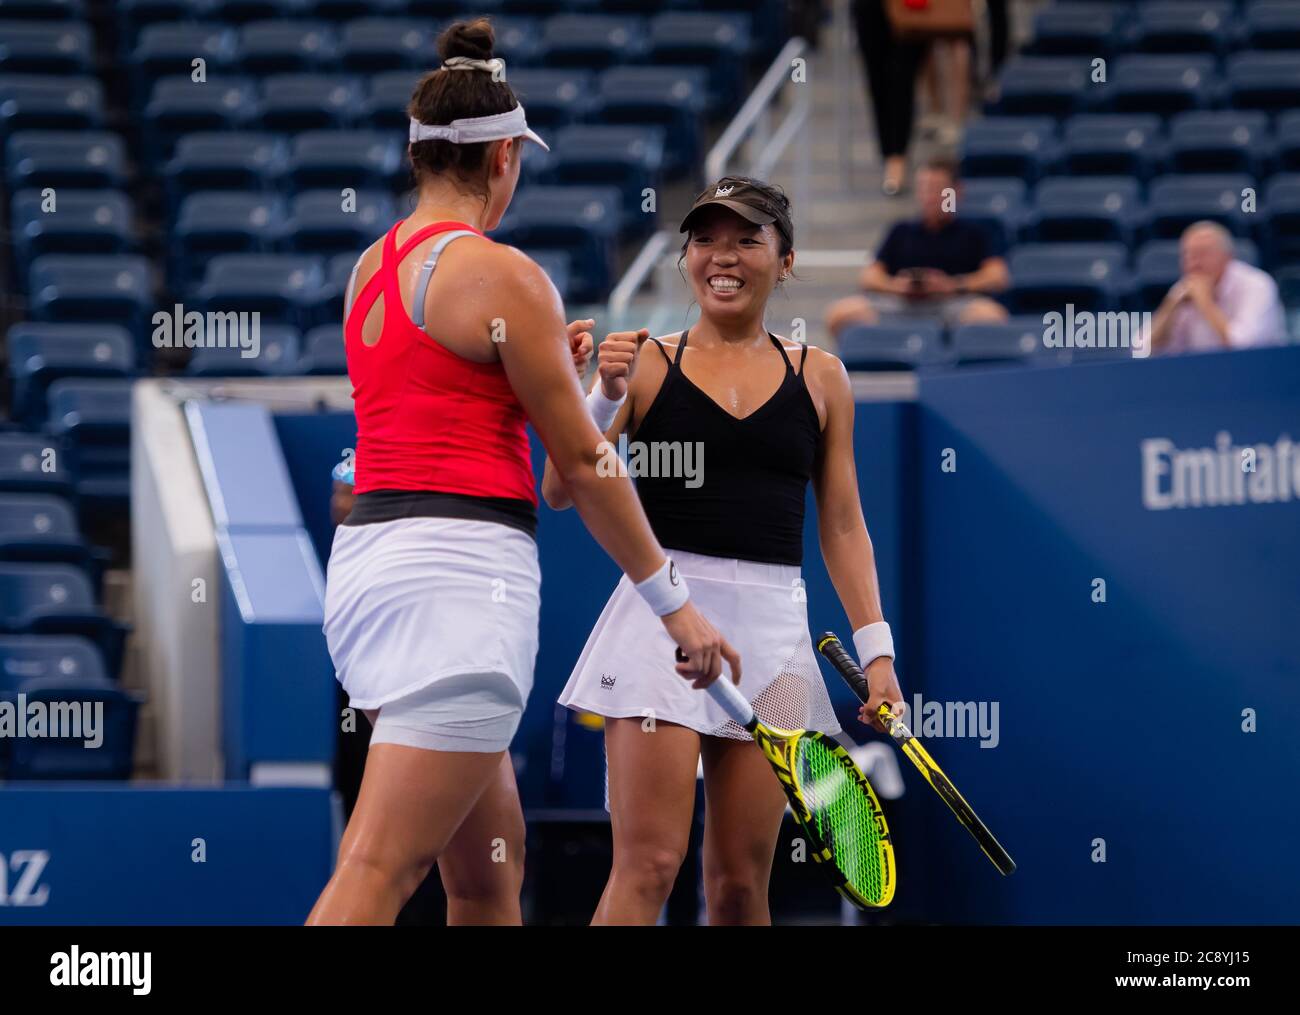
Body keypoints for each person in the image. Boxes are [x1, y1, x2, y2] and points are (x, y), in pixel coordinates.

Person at [309, 18, 741, 927]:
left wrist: (574, 385)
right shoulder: (505, 278)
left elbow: (490, 418)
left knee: (488, 874)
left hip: (371, 578)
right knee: (378, 867)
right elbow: (582, 465)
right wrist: (677, 604)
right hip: (459, 587)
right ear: (504, 157)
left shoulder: (367, 269)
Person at [542, 177, 905, 926]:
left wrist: (879, 657)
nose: (722, 256)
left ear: (786, 258)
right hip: (661, 626)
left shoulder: (825, 378)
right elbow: (559, 485)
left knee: (741, 885)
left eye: (746, 238)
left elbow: (841, 525)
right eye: (705, 239)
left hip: (775, 639)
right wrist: (603, 394)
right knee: (649, 865)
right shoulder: (641, 363)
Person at [825, 157, 1009, 337]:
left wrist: (952, 285)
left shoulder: (977, 230)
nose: (929, 196)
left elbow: (997, 277)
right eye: (924, 189)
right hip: (902, 304)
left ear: (957, 191)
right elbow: (869, 277)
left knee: (991, 315)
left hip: (953, 304)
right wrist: (897, 286)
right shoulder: (901, 230)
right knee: (840, 314)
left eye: (937, 190)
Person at [1146, 221, 1287, 356]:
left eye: (1202, 254)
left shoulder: (1257, 285)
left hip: (1261, 373)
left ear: (1227, 257)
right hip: (1204, 375)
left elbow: (1243, 347)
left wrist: (1205, 303)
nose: (1194, 263)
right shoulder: (1184, 289)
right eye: (1188, 255)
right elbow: (1143, 349)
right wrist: (1170, 307)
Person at [853, 0, 927, 196]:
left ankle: (897, 156)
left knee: (902, 81)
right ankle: (888, 154)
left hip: (910, 7)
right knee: (877, 82)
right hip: (870, 9)